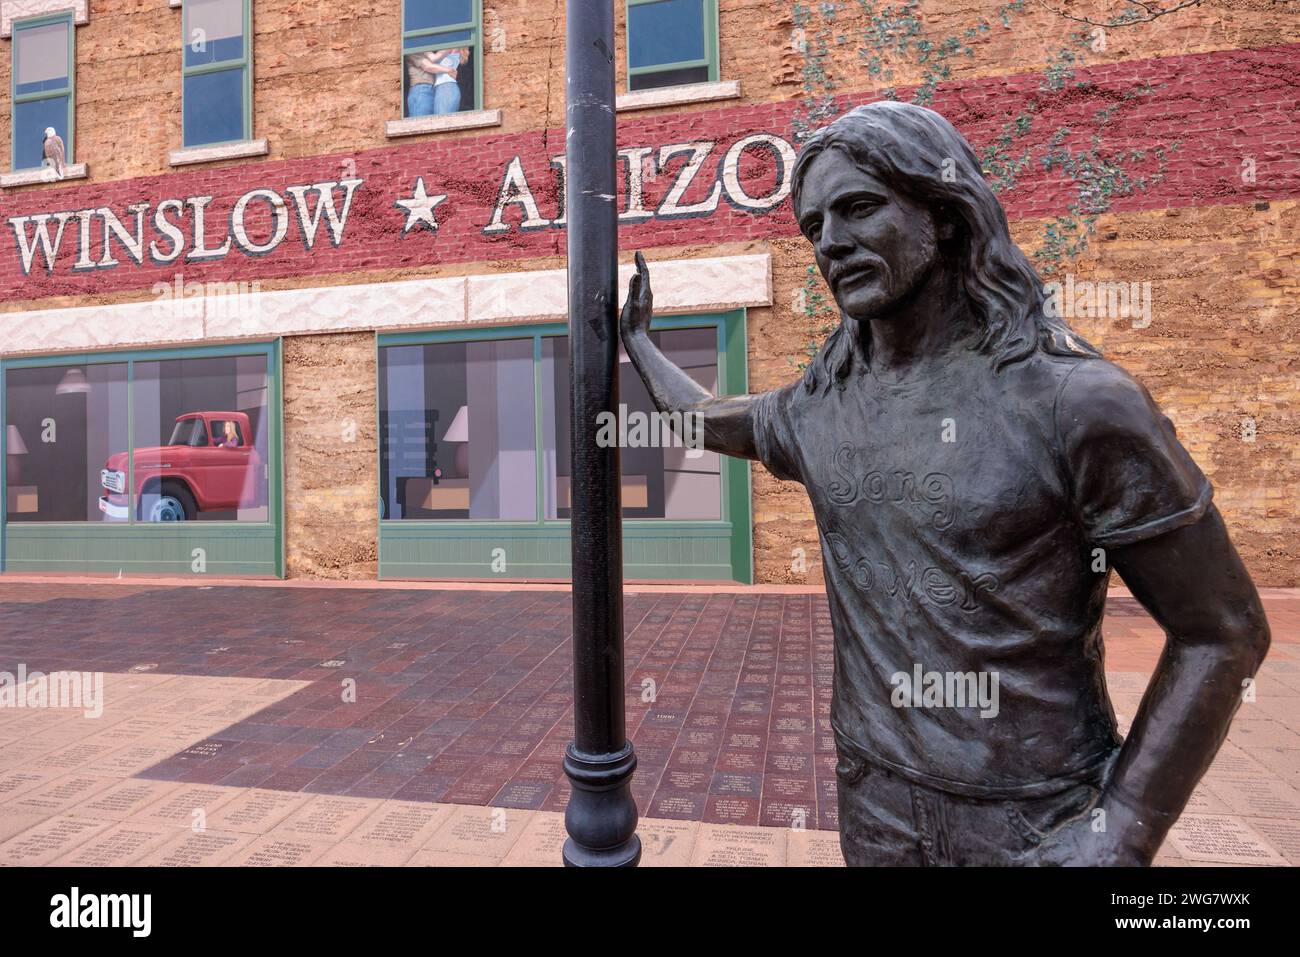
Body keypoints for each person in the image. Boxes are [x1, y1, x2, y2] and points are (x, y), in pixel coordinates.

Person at [618, 101, 1270, 866]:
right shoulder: (821, 407)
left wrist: (1121, 828)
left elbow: (1223, 630)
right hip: (874, 803)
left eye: (859, 208)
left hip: (1033, 816)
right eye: (814, 226)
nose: (831, 241)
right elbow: (701, 417)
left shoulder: (1077, 402)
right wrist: (634, 340)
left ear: (948, 213)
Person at [405, 48, 469, 117]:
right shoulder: (412, 48)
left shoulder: (450, 44)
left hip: (446, 86)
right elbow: (428, 65)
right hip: (440, 87)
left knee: (440, 123)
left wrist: (423, 46)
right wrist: (449, 70)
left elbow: (433, 58)